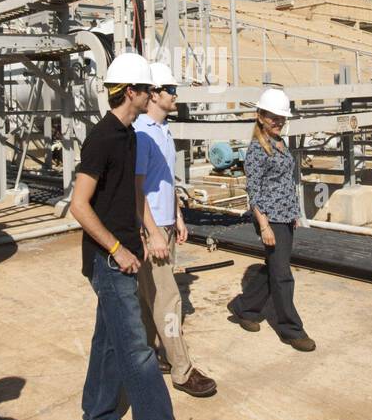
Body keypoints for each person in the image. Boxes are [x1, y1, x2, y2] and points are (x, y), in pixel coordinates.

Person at [69, 52, 201, 420]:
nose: (154, 95)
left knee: (107, 340)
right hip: (109, 263)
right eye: (147, 89)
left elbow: (133, 193)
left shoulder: (129, 135)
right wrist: (117, 249)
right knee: (139, 352)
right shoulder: (104, 138)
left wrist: (151, 230)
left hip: (126, 254)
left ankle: (100, 415)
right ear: (131, 92)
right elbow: (79, 205)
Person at [134, 62, 216, 397]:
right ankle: (182, 370)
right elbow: (136, 190)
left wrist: (178, 215)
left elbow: (164, 181)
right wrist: (152, 232)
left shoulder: (163, 130)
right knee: (168, 299)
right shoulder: (141, 134)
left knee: (149, 298)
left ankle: (156, 354)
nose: (175, 95)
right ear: (153, 94)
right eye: (170, 90)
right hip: (150, 230)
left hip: (165, 225)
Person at [228, 87, 315, 351]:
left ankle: (245, 307)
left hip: (284, 215)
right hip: (269, 217)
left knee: (274, 268)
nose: (279, 122)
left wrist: (294, 213)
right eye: (273, 117)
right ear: (260, 116)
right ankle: (291, 329)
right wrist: (264, 225)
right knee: (282, 275)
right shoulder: (257, 150)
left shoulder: (279, 142)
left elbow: (285, 182)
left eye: (282, 117)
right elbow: (253, 191)